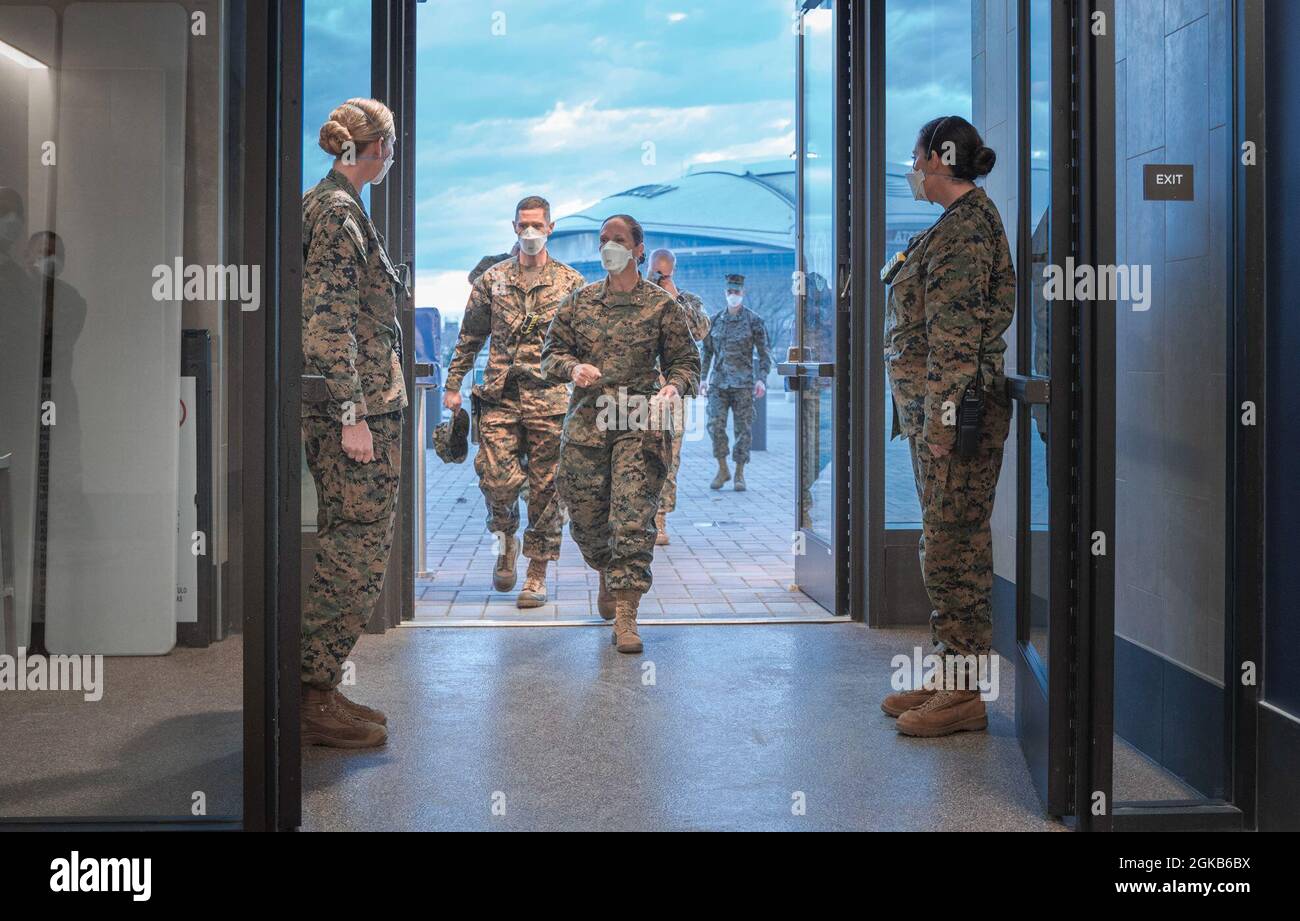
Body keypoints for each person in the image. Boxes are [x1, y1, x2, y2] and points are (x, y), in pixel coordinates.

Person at [879, 115, 1014, 737]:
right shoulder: (954, 226)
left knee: (954, 549)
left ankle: (964, 695)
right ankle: (952, 673)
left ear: (940, 157)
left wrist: (941, 424)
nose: (912, 169)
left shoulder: (966, 233)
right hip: (937, 420)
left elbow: (955, 341)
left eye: (916, 157)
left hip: (954, 425)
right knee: (944, 544)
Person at [300, 98, 407, 749]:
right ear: (374, 150)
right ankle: (310, 694)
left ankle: (318, 685)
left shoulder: (337, 204)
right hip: (353, 414)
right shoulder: (338, 215)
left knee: (353, 542)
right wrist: (353, 416)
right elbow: (325, 324)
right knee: (355, 549)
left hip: (363, 405)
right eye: (390, 147)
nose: (391, 158)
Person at [542, 215, 699, 653]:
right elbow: (551, 353)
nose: (609, 246)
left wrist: (673, 386)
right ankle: (607, 572)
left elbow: (687, 361)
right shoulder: (579, 303)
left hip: (638, 421)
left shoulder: (661, 306)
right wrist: (572, 367)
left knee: (631, 516)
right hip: (589, 422)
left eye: (619, 240)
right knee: (588, 517)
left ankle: (628, 614)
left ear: (638, 249)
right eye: (604, 240)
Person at [444, 196, 585, 606]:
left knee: (546, 490)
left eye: (537, 225)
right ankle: (506, 536)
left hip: (550, 400)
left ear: (551, 227)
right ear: (513, 227)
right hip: (500, 396)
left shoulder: (570, 283)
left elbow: (582, 343)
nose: (530, 233)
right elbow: (470, 336)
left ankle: (537, 574)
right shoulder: (493, 280)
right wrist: (453, 384)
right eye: (524, 225)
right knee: (496, 479)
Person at [646, 248, 709, 545]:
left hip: (669, 391)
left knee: (667, 456)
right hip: (631, 392)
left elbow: (700, 331)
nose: (658, 278)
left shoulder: (686, 301)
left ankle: (660, 518)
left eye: (664, 273)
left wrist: (674, 296)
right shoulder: (634, 297)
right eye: (655, 272)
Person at [700, 273, 771, 491]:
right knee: (714, 426)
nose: (733, 296)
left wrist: (762, 379)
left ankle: (740, 473)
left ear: (743, 293)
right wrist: (703, 378)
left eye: (737, 292)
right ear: (725, 293)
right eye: (730, 292)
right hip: (718, 384)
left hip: (743, 385)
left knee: (744, 430)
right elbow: (707, 352)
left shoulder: (754, 321)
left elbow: (764, 353)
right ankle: (722, 469)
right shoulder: (713, 321)